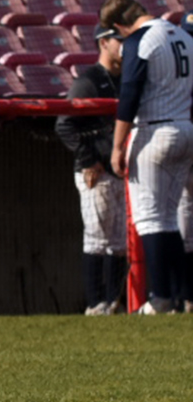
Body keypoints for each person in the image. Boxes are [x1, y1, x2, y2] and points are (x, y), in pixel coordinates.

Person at [102, 0, 193, 315]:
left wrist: (117, 146)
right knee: (170, 217)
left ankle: (161, 297)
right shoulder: (182, 33)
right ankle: (183, 295)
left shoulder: (138, 40)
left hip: (154, 130)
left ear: (118, 26)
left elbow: (129, 95)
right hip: (184, 126)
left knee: (150, 217)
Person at [58, 27, 126, 316]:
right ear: (104, 43)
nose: (124, 47)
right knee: (97, 237)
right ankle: (95, 303)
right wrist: (88, 160)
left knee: (119, 241)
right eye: (119, 42)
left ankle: (113, 303)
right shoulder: (89, 81)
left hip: (118, 170)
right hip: (95, 172)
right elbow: (63, 125)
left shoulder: (124, 79)